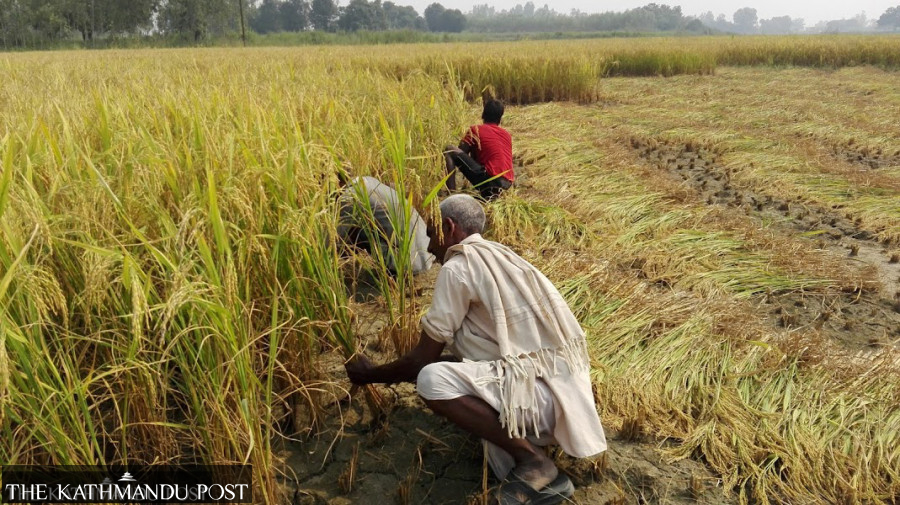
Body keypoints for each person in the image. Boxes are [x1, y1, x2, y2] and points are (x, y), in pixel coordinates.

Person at [345, 194, 606, 505]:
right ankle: (547, 482)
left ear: (449, 227)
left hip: (536, 403)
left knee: (433, 380)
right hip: (566, 401)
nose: (429, 245)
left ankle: (534, 461)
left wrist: (369, 374)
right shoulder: (507, 257)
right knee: (484, 425)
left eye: (431, 233)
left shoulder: (458, 267)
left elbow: (422, 361)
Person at [336, 173, 434, 276]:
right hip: (428, 251)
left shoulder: (350, 195)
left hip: (409, 264)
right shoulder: (369, 181)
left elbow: (336, 240)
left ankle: (393, 272)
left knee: (358, 230)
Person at [444, 99, 514, 201]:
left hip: (490, 181)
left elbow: (460, 153)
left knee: (449, 150)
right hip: (506, 185)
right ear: (500, 118)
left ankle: (452, 196)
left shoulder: (475, 130)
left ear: (483, 114)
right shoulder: (507, 135)